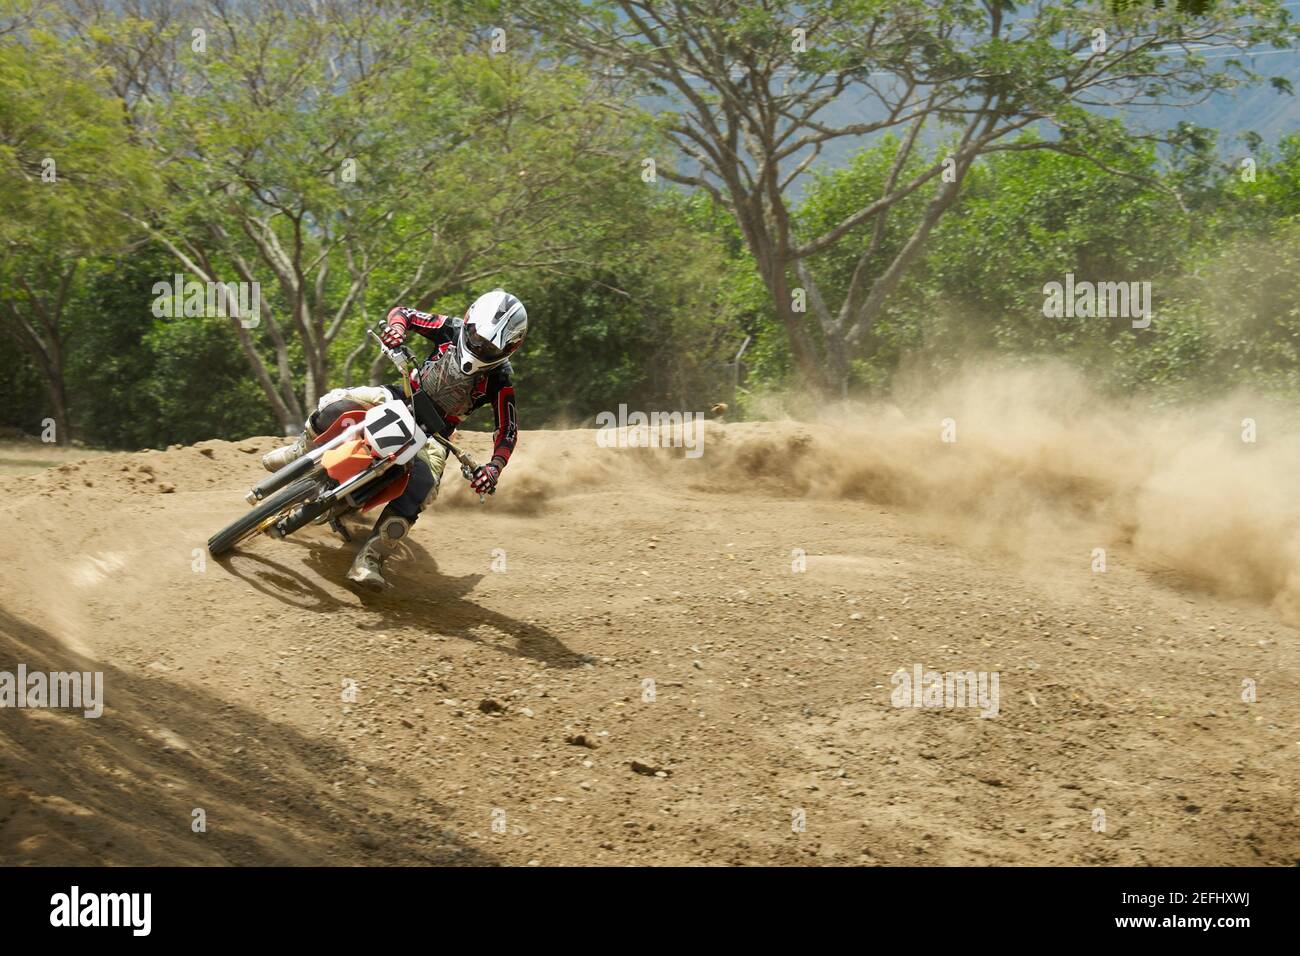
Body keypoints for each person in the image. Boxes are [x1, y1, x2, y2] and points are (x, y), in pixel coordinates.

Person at [260, 289, 526, 587]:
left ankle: (371, 558)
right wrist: (397, 331)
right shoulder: (448, 328)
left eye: (489, 346)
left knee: (424, 487)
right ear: (468, 321)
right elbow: (406, 313)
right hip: (401, 395)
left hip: (436, 434)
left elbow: (507, 431)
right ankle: (299, 452)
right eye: (476, 336)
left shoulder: (501, 381)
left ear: (509, 348)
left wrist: (494, 468)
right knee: (338, 404)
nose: (478, 346)